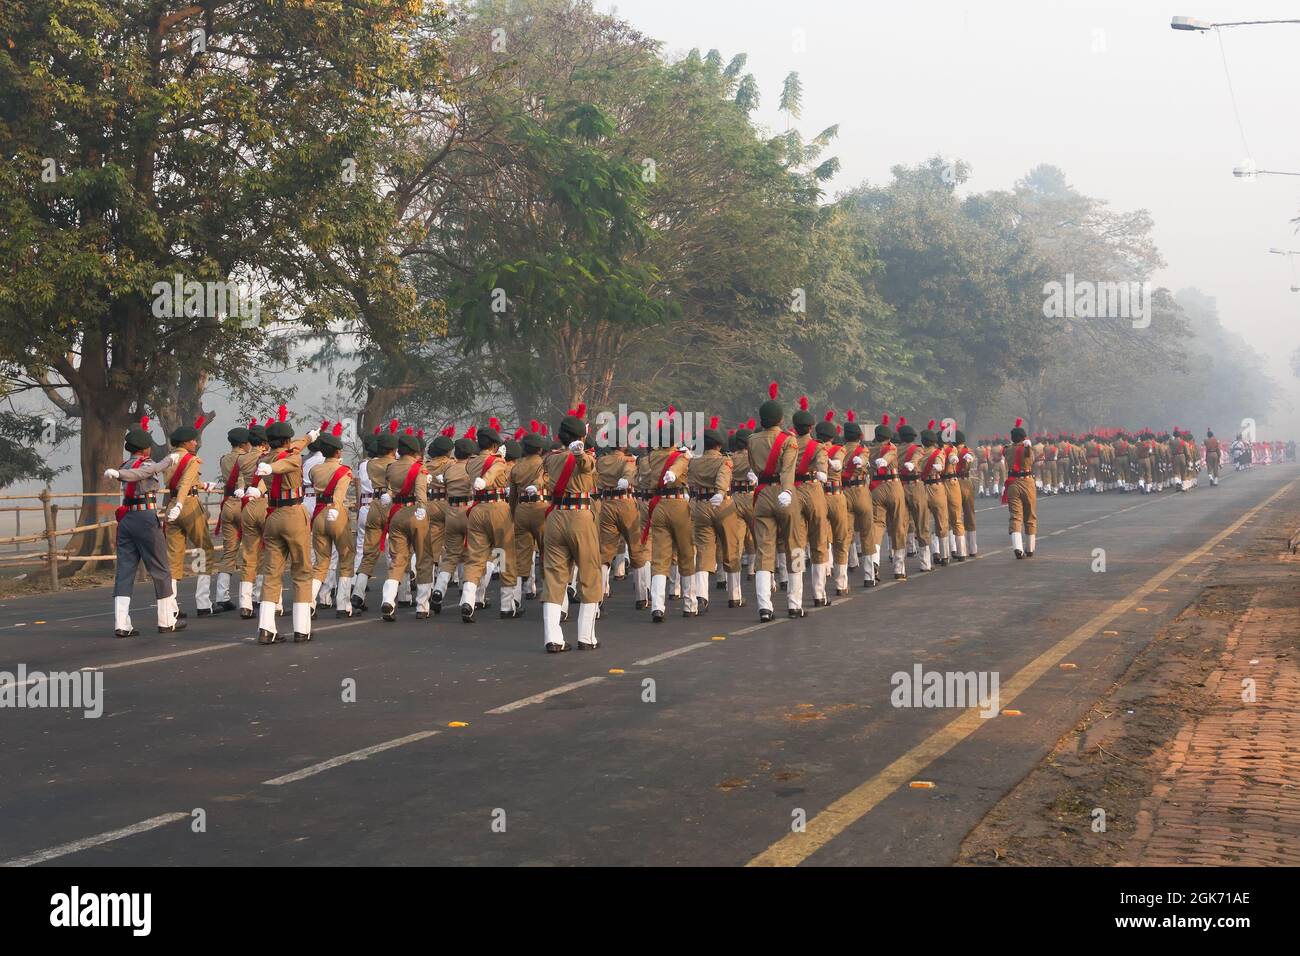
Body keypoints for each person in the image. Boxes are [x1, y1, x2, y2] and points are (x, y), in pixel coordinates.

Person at [104, 416, 184, 636]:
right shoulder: (143, 465)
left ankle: (122, 624)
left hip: (127, 521)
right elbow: (144, 473)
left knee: (125, 571)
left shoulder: (126, 463)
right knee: (161, 568)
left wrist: (119, 472)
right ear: (146, 448)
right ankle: (166, 620)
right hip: (145, 519)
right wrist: (168, 460)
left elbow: (136, 472)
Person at [254, 408, 318, 643]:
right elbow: (287, 463)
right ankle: (302, 629)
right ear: (288, 440)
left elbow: (296, 448)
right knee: (302, 570)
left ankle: (265, 629)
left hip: (272, 516)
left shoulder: (264, 458)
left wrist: (309, 437)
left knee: (271, 573)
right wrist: (272, 469)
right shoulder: (289, 458)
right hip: (293, 513)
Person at [540, 409, 600, 651]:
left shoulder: (551, 458)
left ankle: (553, 637)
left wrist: (577, 451)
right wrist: (579, 453)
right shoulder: (583, 456)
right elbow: (587, 465)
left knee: (554, 577)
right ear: (582, 438)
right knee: (590, 574)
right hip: (580, 518)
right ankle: (586, 636)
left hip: (555, 517)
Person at [309, 422, 356, 617]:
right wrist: (336, 509)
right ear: (337, 452)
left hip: (318, 515)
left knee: (321, 562)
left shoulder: (314, 470)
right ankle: (343, 604)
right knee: (346, 557)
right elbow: (339, 493)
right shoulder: (344, 470)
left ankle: (308, 602)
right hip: (336, 514)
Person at [1003, 417, 1037, 559]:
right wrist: (1027, 446)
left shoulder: (1007, 450)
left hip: (1012, 483)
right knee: (1030, 515)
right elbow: (1030, 458)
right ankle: (1030, 548)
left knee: (1015, 516)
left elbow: (1009, 450)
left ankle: (1018, 548)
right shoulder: (1027, 449)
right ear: (1024, 438)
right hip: (1027, 482)